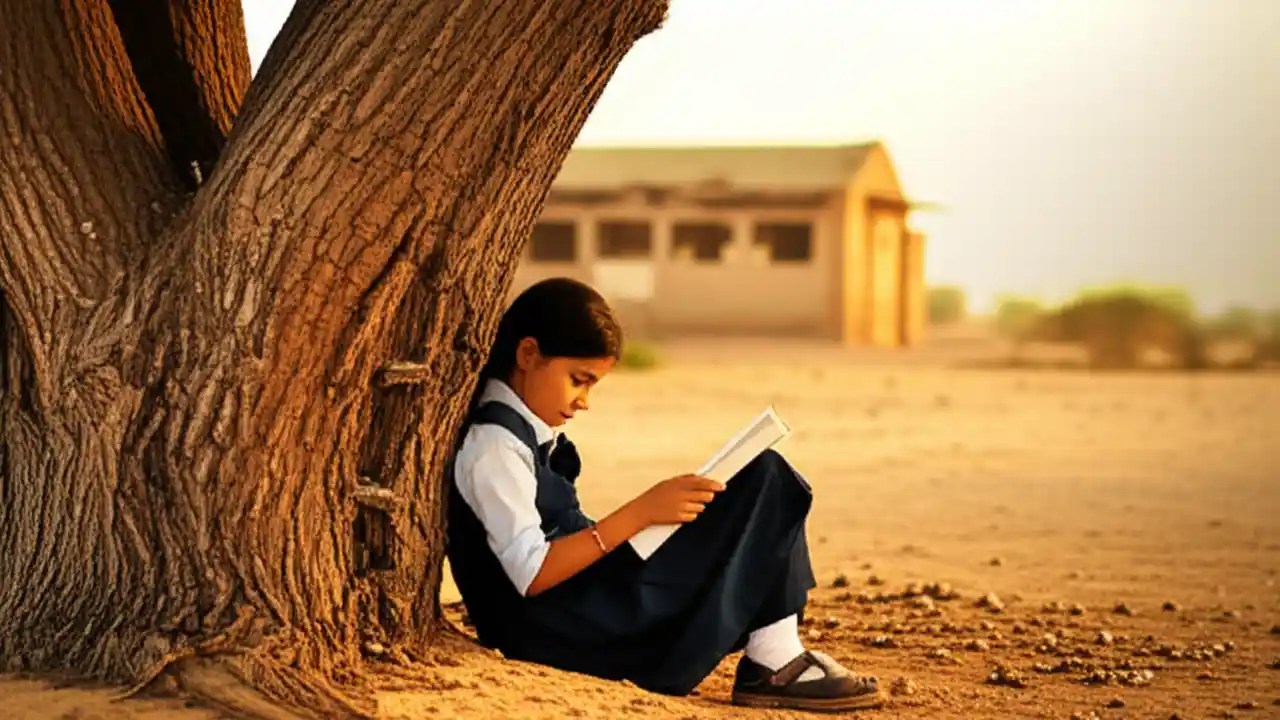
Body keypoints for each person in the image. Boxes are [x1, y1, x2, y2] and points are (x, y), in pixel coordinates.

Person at [445, 277, 883, 712]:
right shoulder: (494, 446)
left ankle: (775, 654)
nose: (584, 401)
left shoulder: (522, 434)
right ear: (527, 354)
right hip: (567, 631)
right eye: (579, 380)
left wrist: (656, 523)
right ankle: (774, 661)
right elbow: (532, 572)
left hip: (582, 605)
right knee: (764, 479)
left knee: (760, 482)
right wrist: (641, 514)